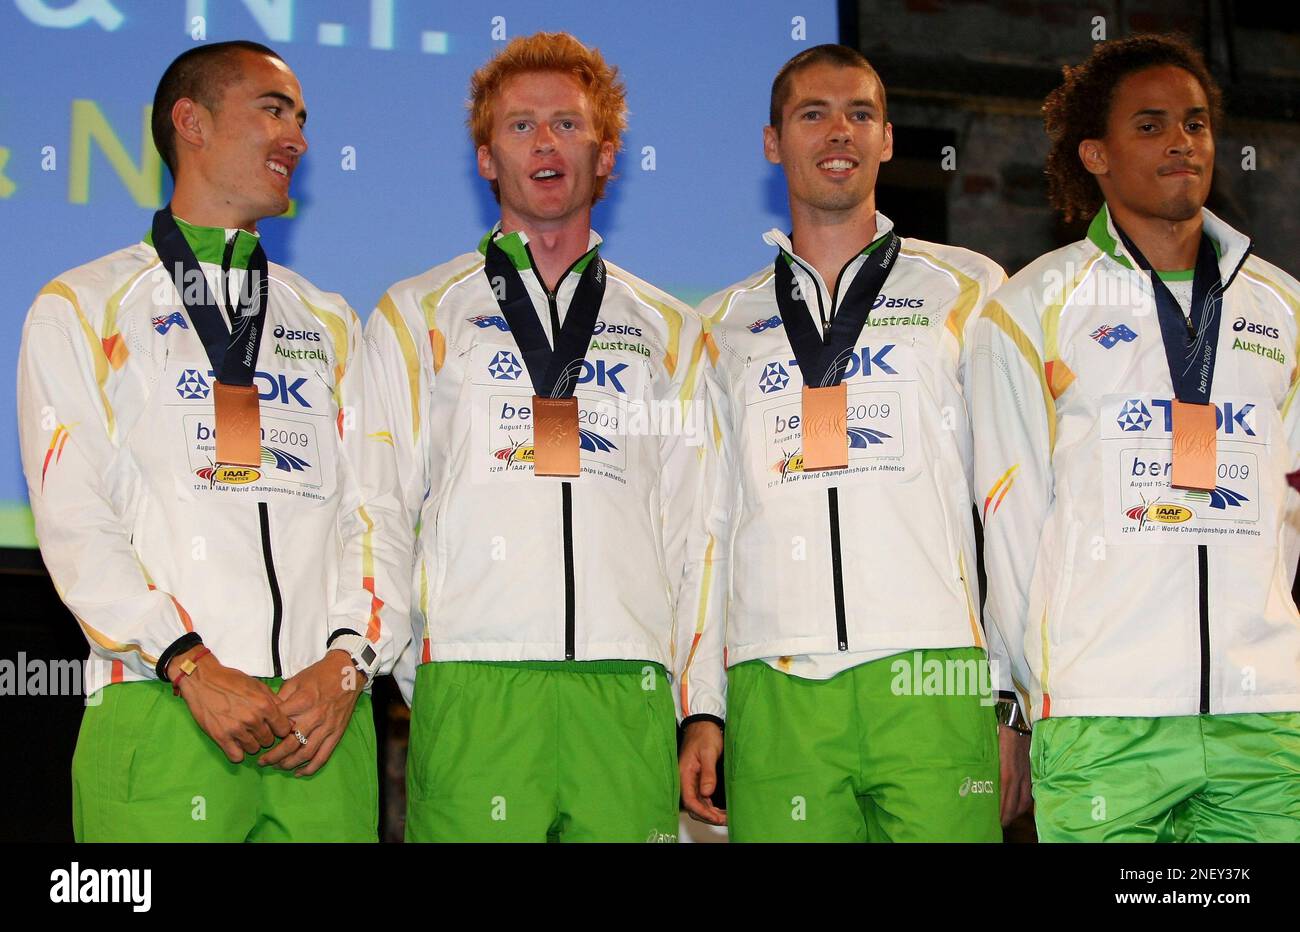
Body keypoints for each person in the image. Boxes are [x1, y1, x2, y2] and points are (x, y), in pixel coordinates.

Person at [16, 40, 407, 842]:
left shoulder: (330, 319)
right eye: (273, 109)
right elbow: (75, 523)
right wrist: (186, 660)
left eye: (302, 118)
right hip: (163, 706)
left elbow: (377, 513)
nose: (296, 136)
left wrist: (347, 665)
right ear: (189, 123)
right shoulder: (81, 306)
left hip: (319, 726)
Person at [678, 44, 1031, 842]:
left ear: (888, 139)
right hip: (776, 683)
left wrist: (1011, 697)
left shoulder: (969, 288)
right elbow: (710, 528)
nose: (839, 131)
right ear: (774, 142)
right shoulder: (722, 323)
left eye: (860, 113)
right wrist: (702, 704)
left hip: (937, 675)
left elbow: (1009, 505)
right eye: (813, 113)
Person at [367, 32, 701, 843]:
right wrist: (422, 668)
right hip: (474, 684)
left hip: (628, 687)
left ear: (608, 154)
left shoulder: (670, 327)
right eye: (519, 127)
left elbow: (698, 524)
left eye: (567, 124)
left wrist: (700, 702)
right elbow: (377, 506)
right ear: (486, 158)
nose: (544, 143)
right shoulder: (416, 313)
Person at [968, 33, 1300, 842]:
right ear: (1096, 154)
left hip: (1265, 715)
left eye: (1195, 123)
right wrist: (1027, 692)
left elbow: (1286, 518)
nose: (1182, 142)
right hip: (1101, 714)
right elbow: (1010, 527)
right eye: (1149, 126)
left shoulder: (1282, 307)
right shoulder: (1031, 308)